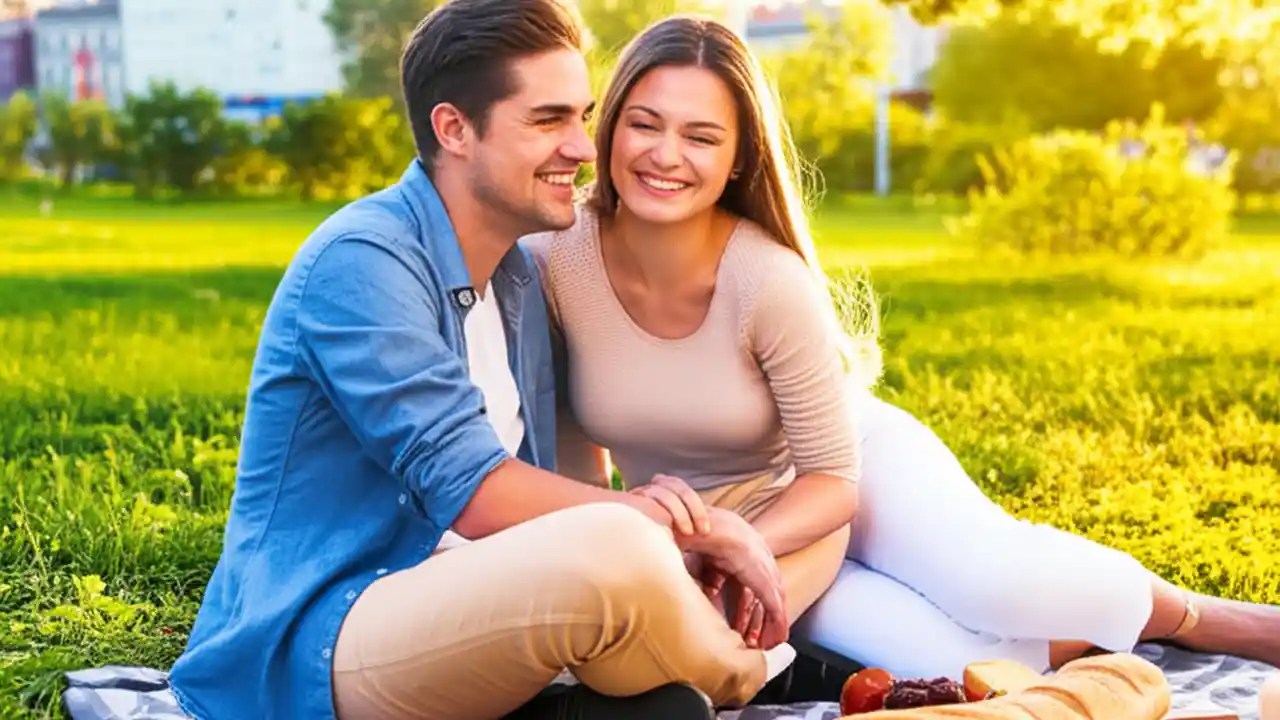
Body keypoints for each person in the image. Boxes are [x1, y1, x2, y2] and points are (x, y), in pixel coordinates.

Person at [524, 15, 1280, 683]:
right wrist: (653, 541)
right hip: (726, 531)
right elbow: (576, 456)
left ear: (738, 158)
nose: (665, 155)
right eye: (645, 124)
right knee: (965, 668)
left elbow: (833, 481)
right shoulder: (555, 261)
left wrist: (736, 543)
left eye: (700, 136)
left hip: (842, 468)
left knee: (995, 588)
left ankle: (1193, 616)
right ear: (609, 124)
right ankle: (1089, 638)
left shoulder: (766, 279)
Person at [166, 2, 800, 719]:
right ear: (454, 129)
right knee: (621, 543)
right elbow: (478, 492)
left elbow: (556, 485)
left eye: (583, 117)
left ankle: (630, 700)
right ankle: (751, 676)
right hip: (325, 636)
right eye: (547, 120)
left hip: (469, 607)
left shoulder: (518, 278)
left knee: (640, 568)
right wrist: (700, 528)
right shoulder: (363, 262)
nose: (585, 149)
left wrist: (668, 542)